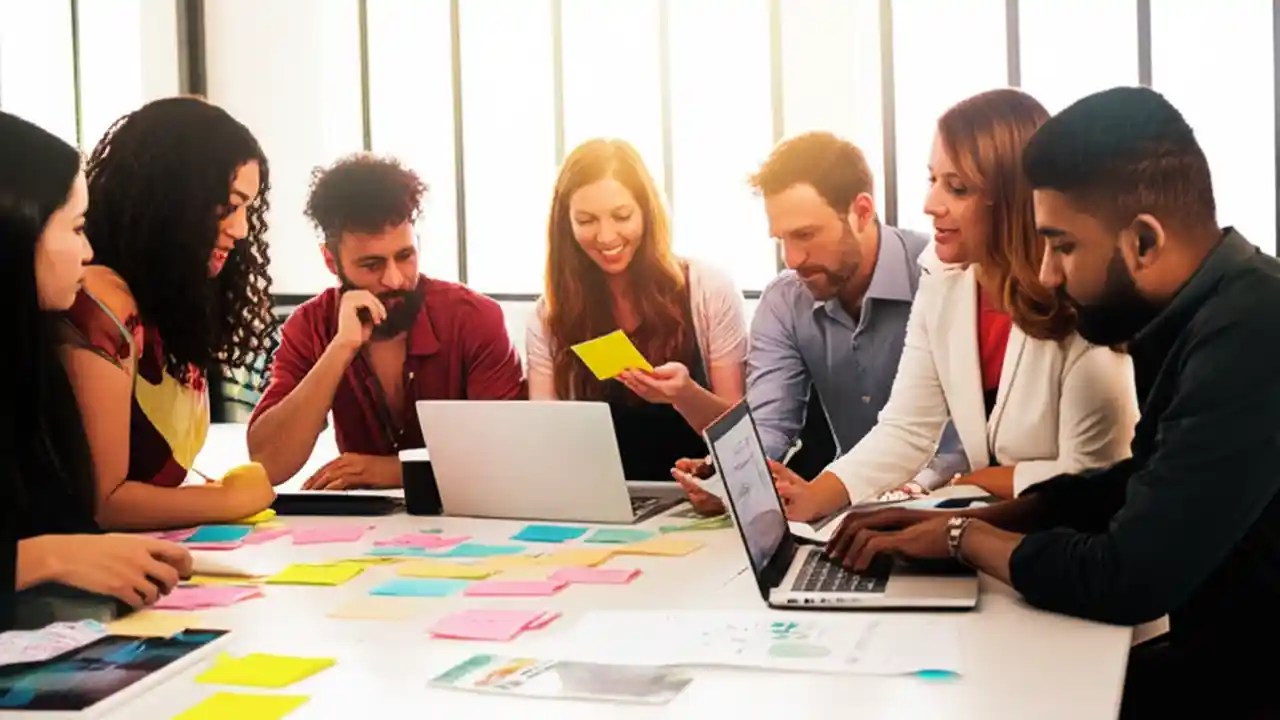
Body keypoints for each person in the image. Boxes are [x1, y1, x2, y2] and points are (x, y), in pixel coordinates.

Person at [826, 86, 1280, 718]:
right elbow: (1144, 481)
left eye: (1063, 246)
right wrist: (1006, 516)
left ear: (1143, 242)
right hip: (1227, 657)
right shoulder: (1206, 313)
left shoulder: (1251, 334)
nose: (1046, 275)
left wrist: (961, 537)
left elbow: (1127, 576)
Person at [766, 89, 1138, 522]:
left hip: (1077, 544)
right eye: (933, 180)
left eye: (956, 187)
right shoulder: (943, 280)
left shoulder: (1084, 302)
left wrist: (975, 482)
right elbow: (907, 427)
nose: (930, 205)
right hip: (997, 534)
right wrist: (815, 496)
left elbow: (1095, 477)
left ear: (1015, 197)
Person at [667, 131, 969, 516]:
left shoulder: (941, 273)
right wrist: (724, 480)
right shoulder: (784, 301)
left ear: (861, 212)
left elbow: (938, 440)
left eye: (806, 235)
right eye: (781, 239)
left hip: (955, 505)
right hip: (846, 509)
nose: (792, 258)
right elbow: (769, 427)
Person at [0, 111, 192, 629]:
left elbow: (60, 516)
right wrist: (45, 559)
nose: (88, 253)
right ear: (17, 228)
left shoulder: (31, 353)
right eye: (77, 228)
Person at [62, 97, 277, 530]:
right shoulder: (102, 299)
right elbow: (106, 502)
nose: (241, 229)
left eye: (248, 209)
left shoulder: (171, 304)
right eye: (230, 205)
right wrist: (229, 500)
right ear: (173, 199)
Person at [248, 153, 525, 489]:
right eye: (371, 265)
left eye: (405, 256)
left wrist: (391, 472)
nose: (395, 279)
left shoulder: (473, 318)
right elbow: (269, 464)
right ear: (331, 260)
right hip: (364, 532)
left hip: (469, 515)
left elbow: (508, 454)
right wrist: (341, 348)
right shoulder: (310, 326)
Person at [526, 138, 748, 480]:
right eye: (585, 220)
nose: (606, 236)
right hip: (599, 499)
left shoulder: (707, 290)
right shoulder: (550, 315)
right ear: (565, 224)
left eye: (622, 216)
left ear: (647, 212)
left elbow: (740, 437)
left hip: (701, 496)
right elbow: (543, 435)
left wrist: (686, 395)